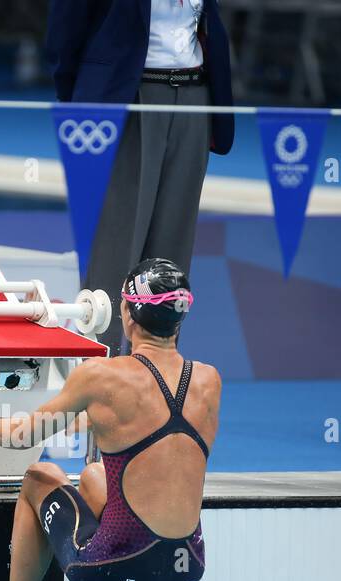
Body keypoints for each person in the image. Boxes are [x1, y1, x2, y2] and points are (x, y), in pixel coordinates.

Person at [0, 259, 221, 581]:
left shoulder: (100, 376)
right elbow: (155, 432)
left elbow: (20, 437)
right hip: (181, 580)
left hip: (115, 576)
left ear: (127, 312)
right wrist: (84, 423)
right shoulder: (208, 381)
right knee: (95, 476)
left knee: (38, 476)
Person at [47, 0, 234, 352]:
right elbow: (65, 29)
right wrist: (81, 103)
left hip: (195, 94)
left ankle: (156, 379)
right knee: (115, 252)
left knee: (172, 253)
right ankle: (100, 380)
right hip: (125, 99)